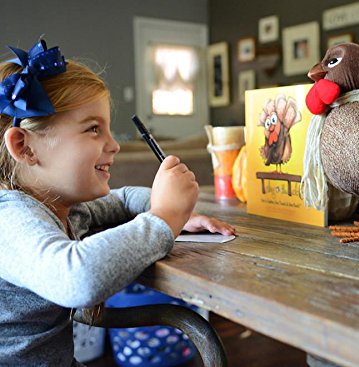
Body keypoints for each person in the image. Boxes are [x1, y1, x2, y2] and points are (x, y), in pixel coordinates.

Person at [0, 39, 235, 366]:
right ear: (25, 148)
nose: (114, 145)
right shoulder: (9, 219)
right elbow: (77, 279)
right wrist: (163, 218)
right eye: (93, 129)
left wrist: (177, 211)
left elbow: (123, 199)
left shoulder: (65, 206)